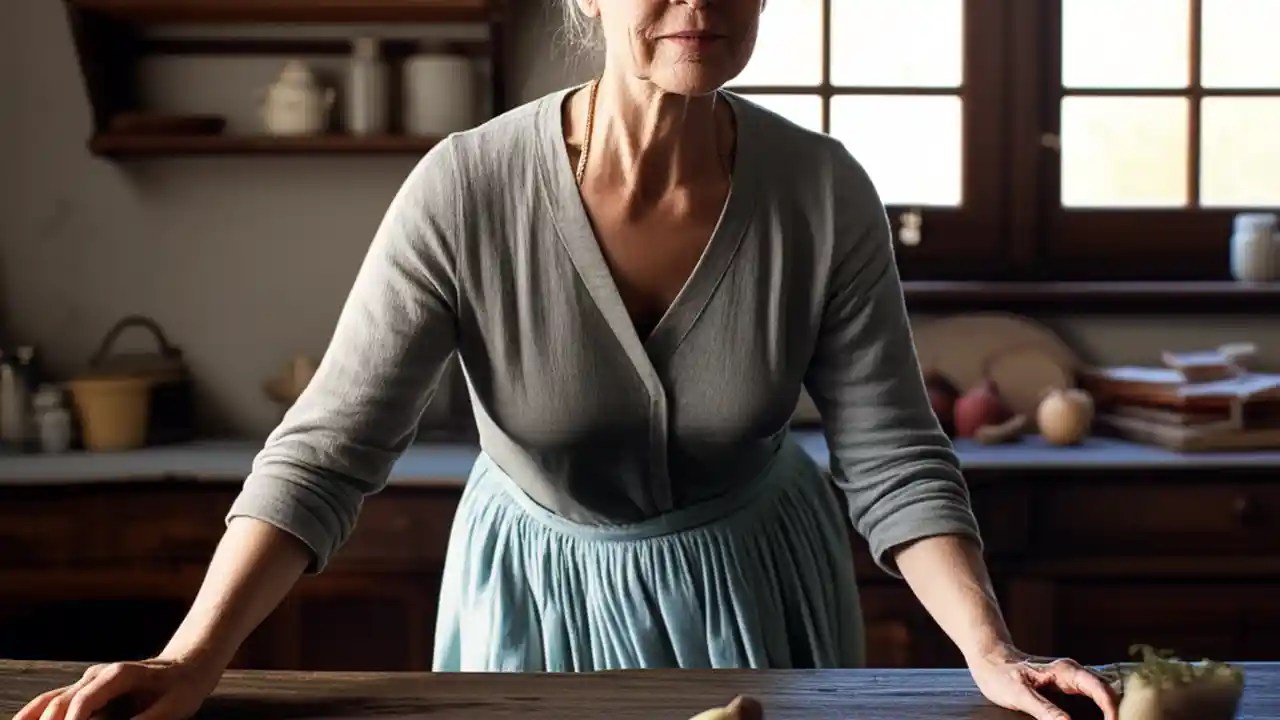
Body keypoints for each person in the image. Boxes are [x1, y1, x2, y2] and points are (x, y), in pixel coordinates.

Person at [16, 1, 1119, 719]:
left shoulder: (821, 191)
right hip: (530, 596)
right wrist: (191, 658)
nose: (698, 1)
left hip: (757, 592)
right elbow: (327, 449)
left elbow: (889, 458)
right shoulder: (466, 187)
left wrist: (988, 649)